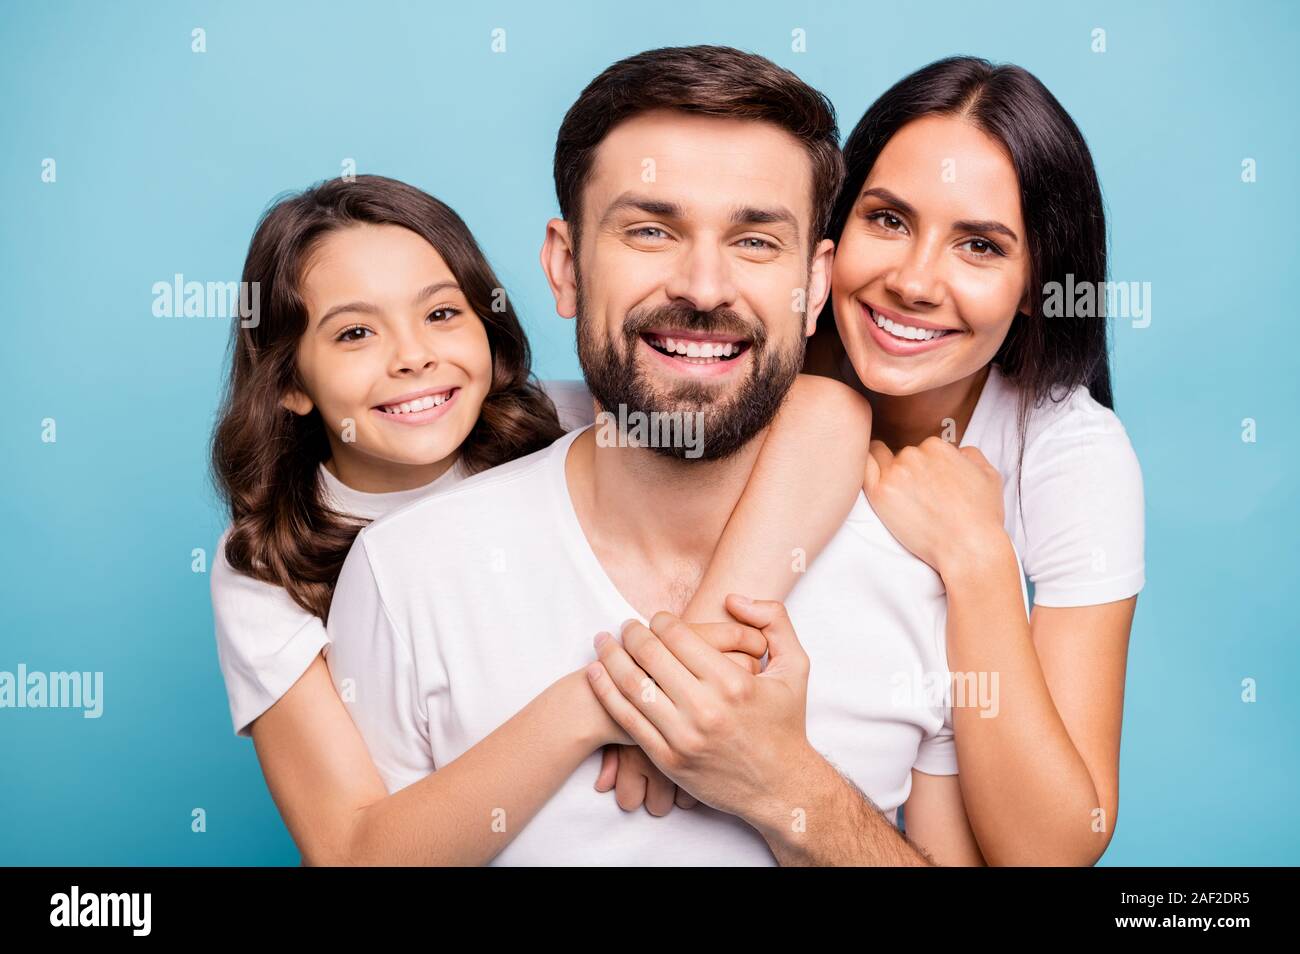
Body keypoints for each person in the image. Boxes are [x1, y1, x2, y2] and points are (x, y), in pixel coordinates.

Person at [326, 45, 984, 866]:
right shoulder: (407, 577)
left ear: (815, 288)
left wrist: (788, 789)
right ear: (566, 267)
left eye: (754, 241)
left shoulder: (923, 584)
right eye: (649, 230)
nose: (704, 288)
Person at [210, 174, 871, 862]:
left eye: (440, 315)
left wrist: (687, 664)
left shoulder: (565, 421)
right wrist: (607, 705)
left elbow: (825, 414)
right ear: (289, 382)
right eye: (354, 333)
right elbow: (352, 850)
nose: (412, 357)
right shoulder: (262, 565)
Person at [802, 56, 1145, 865]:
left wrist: (976, 558)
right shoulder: (757, 368)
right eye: (887, 220)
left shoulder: (1070, 453)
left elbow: (1056, 846)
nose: (915, 282)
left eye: (981, 247)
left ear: (1038, 285)